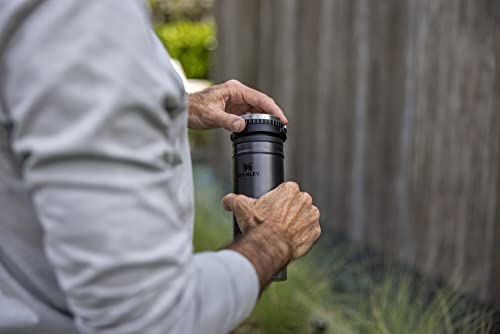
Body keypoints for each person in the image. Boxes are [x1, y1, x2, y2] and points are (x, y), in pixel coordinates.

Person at [0, 1, 321, 333]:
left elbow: (49, 97)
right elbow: (148, 320)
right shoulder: (86, 11)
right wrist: (274, 239)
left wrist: (172, 107)